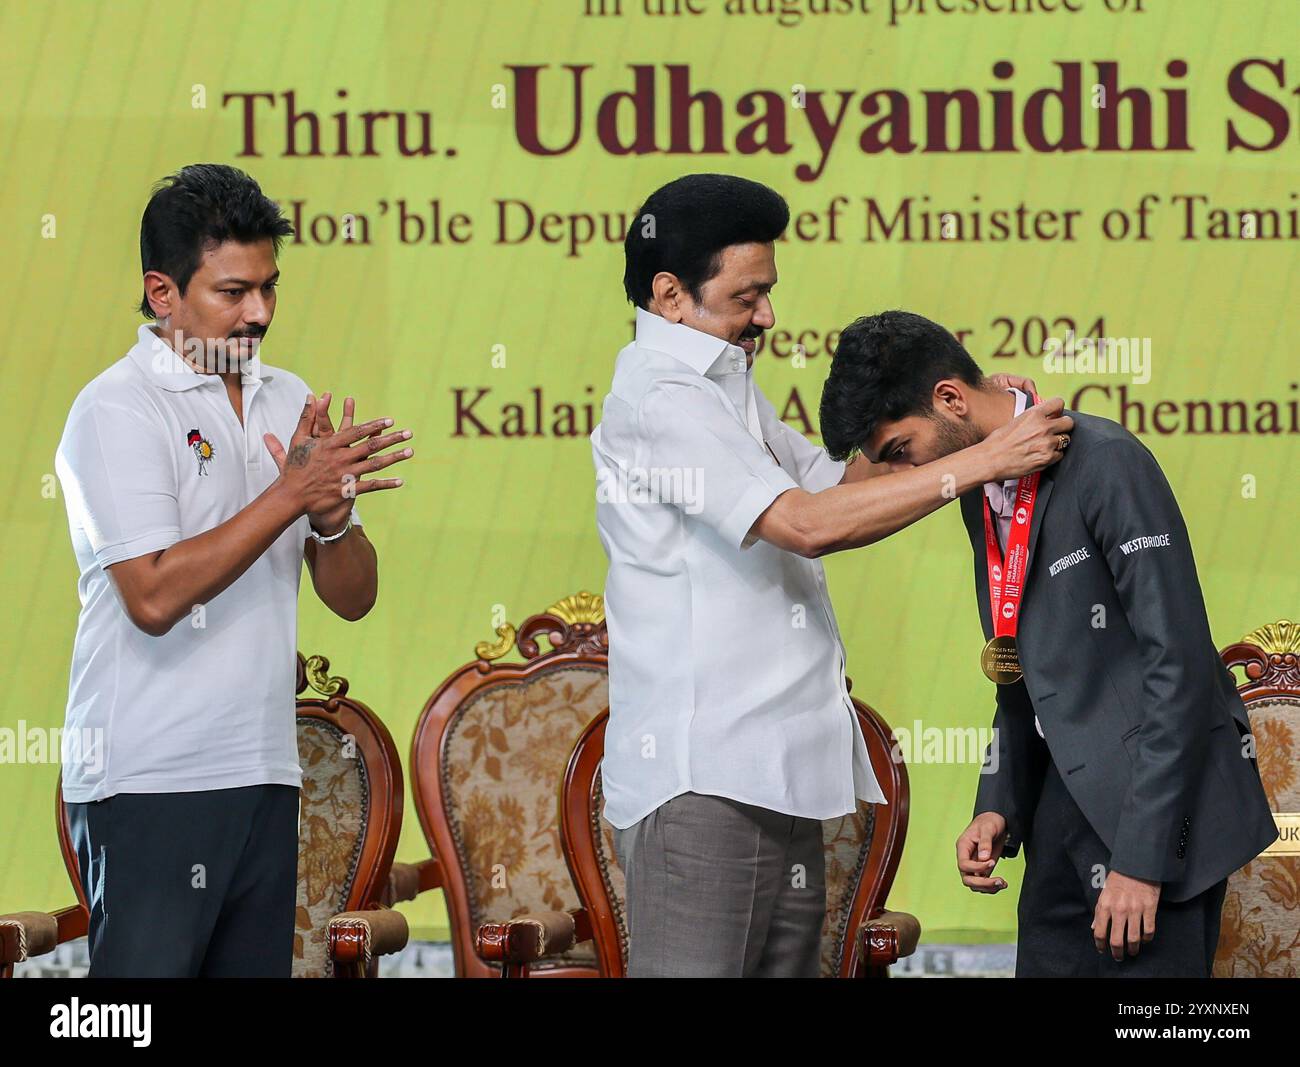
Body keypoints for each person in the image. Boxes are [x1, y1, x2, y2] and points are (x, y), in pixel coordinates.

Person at [590, 174, 1072, 977]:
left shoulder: (725, 391)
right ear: (671, 295)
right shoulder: (658, 400)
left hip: (774, 775)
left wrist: (962, 416)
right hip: (704, 782)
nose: (769, 316)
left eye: (769, 292)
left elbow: (840, 491)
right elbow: (804, 526)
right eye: (749, 296)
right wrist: (989, 459)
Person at [818, 309, 1278, 977]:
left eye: (900, 450)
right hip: (1060, 816)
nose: (902, 475)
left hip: (1156, 810)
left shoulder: (1109, 461)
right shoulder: (980, 491)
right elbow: (1019, 674)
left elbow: (1178, 668)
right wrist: (997, 805)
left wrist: (1141, 861)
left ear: (949, 398)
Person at [53, 163, 414, 977]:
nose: (259, 313)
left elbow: (353, 597)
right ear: (162, 292)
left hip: (261, 767)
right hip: (148, 778)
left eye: (269, 289)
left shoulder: (289, 400)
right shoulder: (117, 407)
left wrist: (333, 516)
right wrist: (291, 494)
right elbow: (151, 593)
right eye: (233, 291)